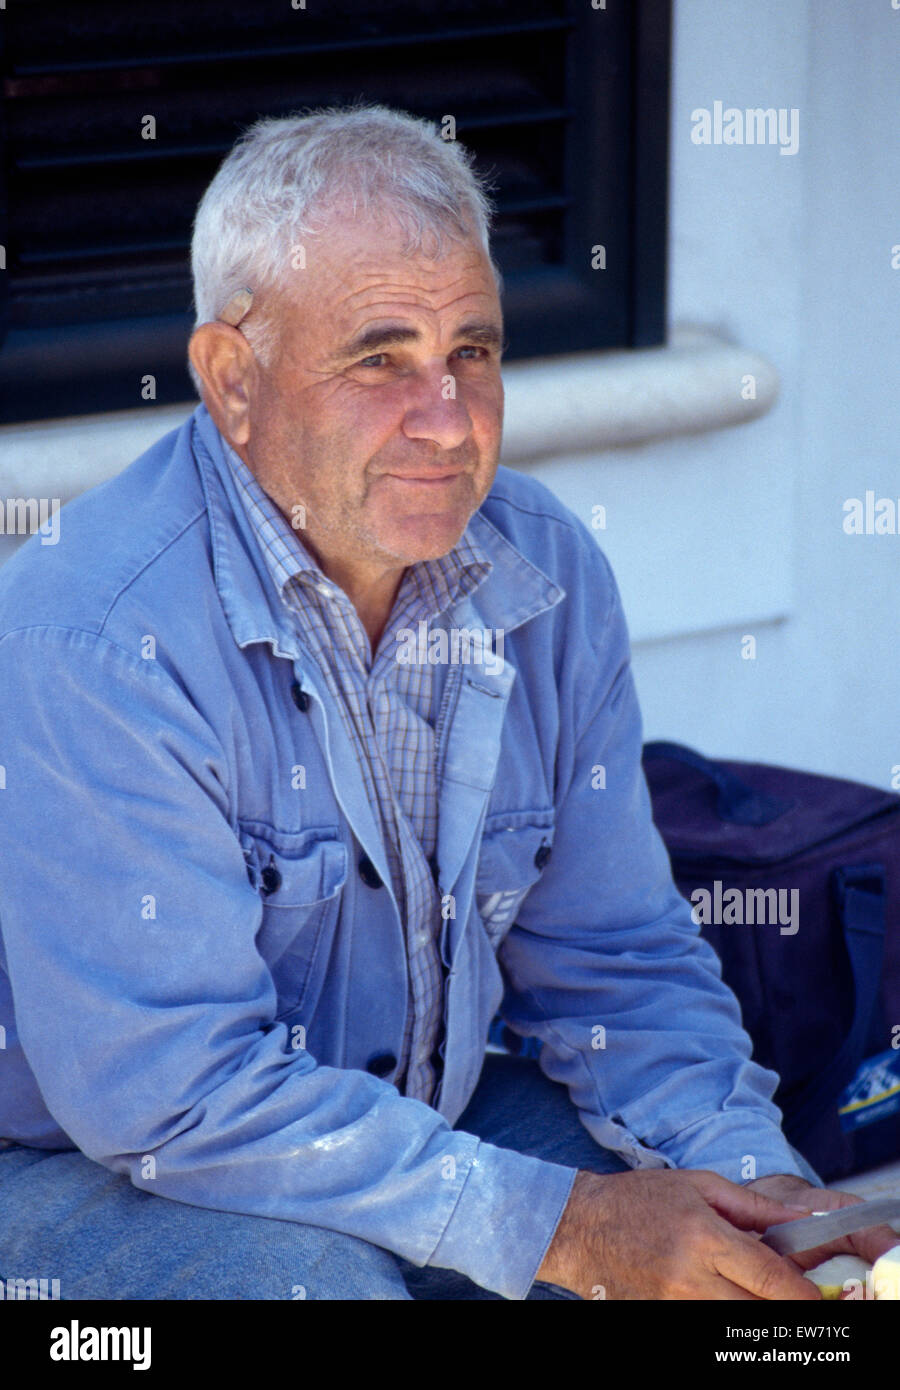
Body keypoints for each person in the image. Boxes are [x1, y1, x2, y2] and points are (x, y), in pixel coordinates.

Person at [0, 105, 892, 1301]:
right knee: (318, 1285)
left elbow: (617, 959)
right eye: (381, 358)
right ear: (232, 380)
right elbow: (177, 1093)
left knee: (729, 1283)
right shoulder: (100, 633)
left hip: (416, 1112)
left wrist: (767, 1203)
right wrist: (569, 1228)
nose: (450, 419)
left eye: (472, 350)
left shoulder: (548, 570)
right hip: (76, 1171)